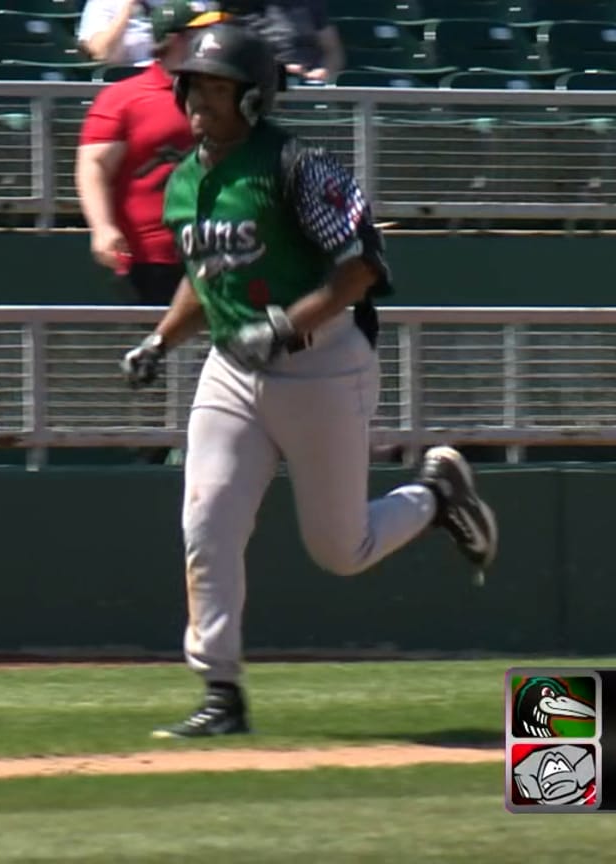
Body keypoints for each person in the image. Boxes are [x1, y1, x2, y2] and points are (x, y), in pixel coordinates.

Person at [119, 22, 499, 739]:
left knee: (340, 550)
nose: (200, 98)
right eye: (194, 84)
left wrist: (287, 326)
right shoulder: (185, 181)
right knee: (206, 521)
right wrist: (159, 340)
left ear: (255, 97)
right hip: (232, 366)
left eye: (218, 87)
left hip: (320, 360)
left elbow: (361, 269)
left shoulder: (296, 164)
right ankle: (221, 693)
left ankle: (435, 496)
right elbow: (204, 281)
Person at [77, 0, 226, 304]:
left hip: (219, 253)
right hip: (148, 258)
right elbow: (94, 166)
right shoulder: (123, 98)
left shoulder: (224, 95)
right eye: (201, 32)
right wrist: (103, 228)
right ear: (174, 39)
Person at [221, 0, 344, 83]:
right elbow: (232, 54)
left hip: (311, 87)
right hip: (263, 88)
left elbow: (333, 50)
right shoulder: (240, 6)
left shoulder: (310, 4)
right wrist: (279, 70)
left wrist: (326, 72)